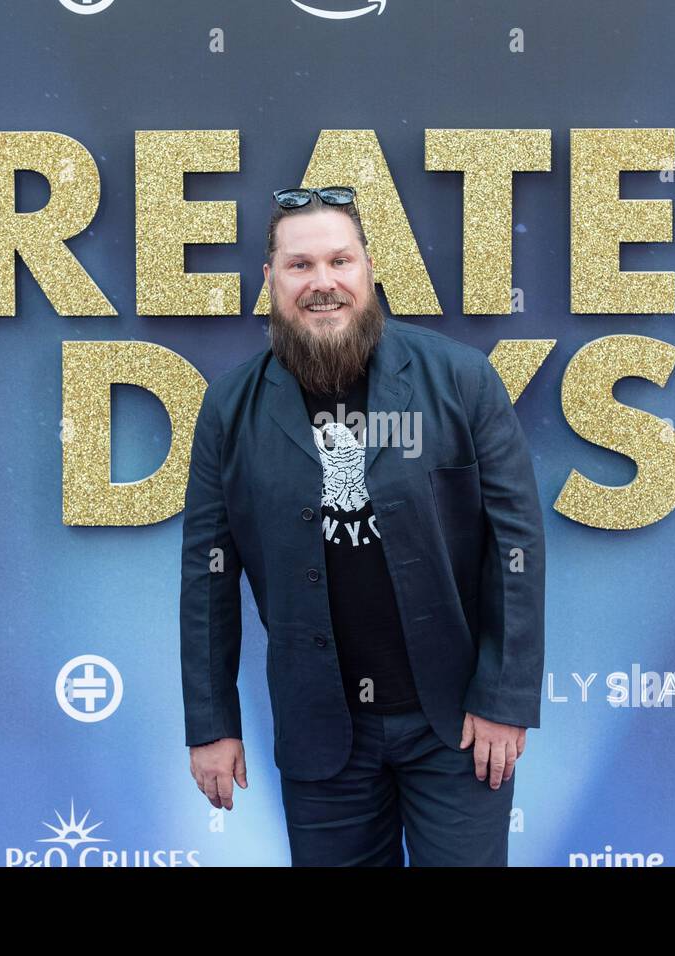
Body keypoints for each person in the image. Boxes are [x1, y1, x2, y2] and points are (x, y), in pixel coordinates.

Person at [180, 185, 546, 866]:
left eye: (339, 261)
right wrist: (211, 725)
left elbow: (515, 546)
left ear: (368, 269)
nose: (323, 283)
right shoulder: (229, 408)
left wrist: (505, 696)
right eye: (300, 265)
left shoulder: (461, 381)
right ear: (270, 280)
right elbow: (207, 578)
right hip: (322, 736)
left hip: (458, 726)